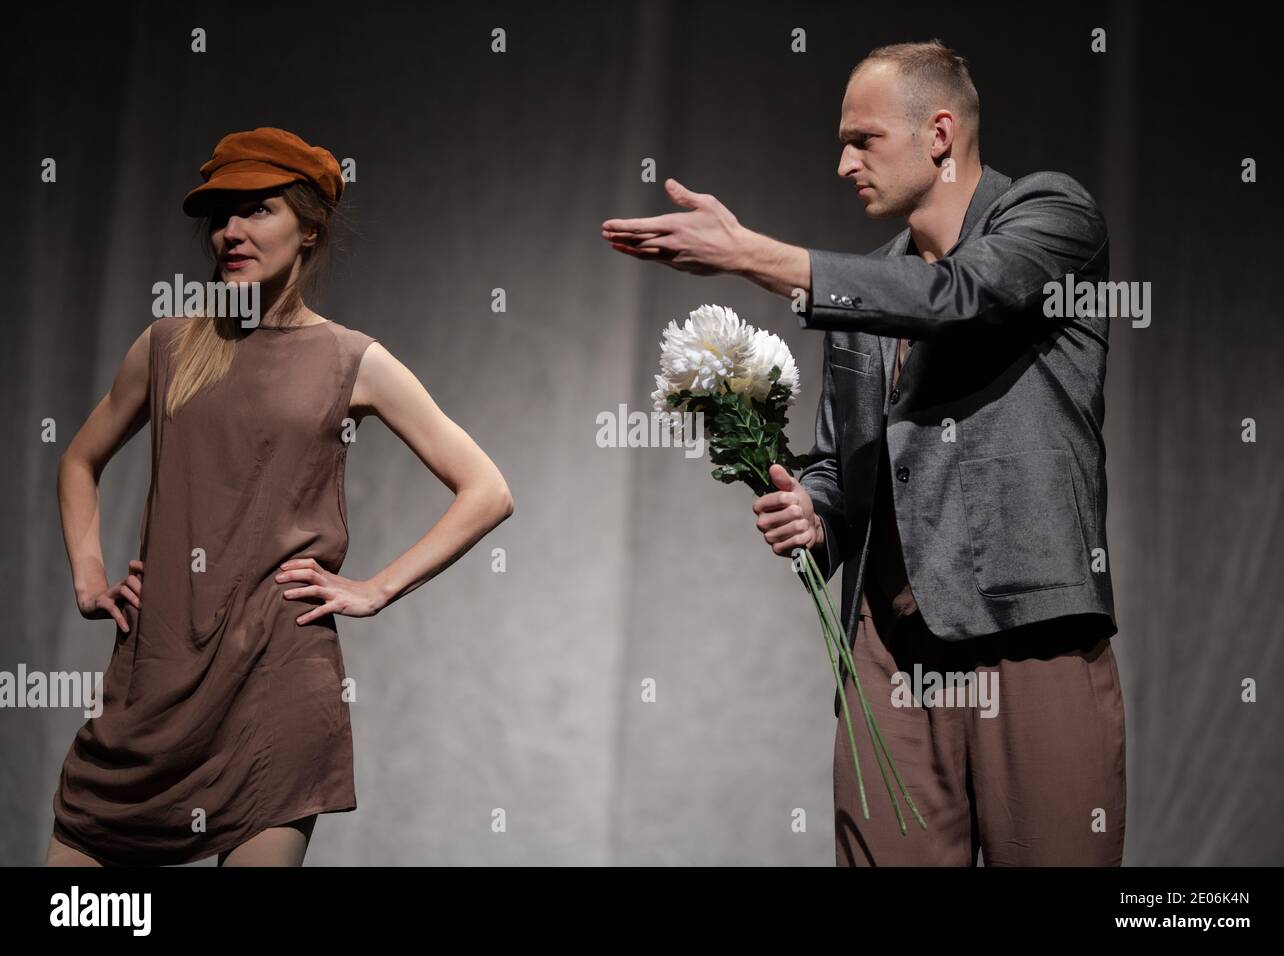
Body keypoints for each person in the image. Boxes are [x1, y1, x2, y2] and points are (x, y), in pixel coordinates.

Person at [601, 41, 1125, 866]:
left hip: (1026, 635)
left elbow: (961, 298)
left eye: (863, 140)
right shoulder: (862, 291)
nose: (843, 164)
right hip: (888, 655)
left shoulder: (1053, 215)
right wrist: (817, 510)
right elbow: (846, 463)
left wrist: (750, 256)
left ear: (940, 134)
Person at [47, 127, 513, 866]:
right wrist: (87, 575)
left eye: (257, 210)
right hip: (155, 677)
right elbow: (78, 459)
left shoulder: (351, 359)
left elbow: (486, 489)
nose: (231, 231)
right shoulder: (168, 345)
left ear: (309, 227)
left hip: (276, 678)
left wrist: (377, 589)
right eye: (220, 216)